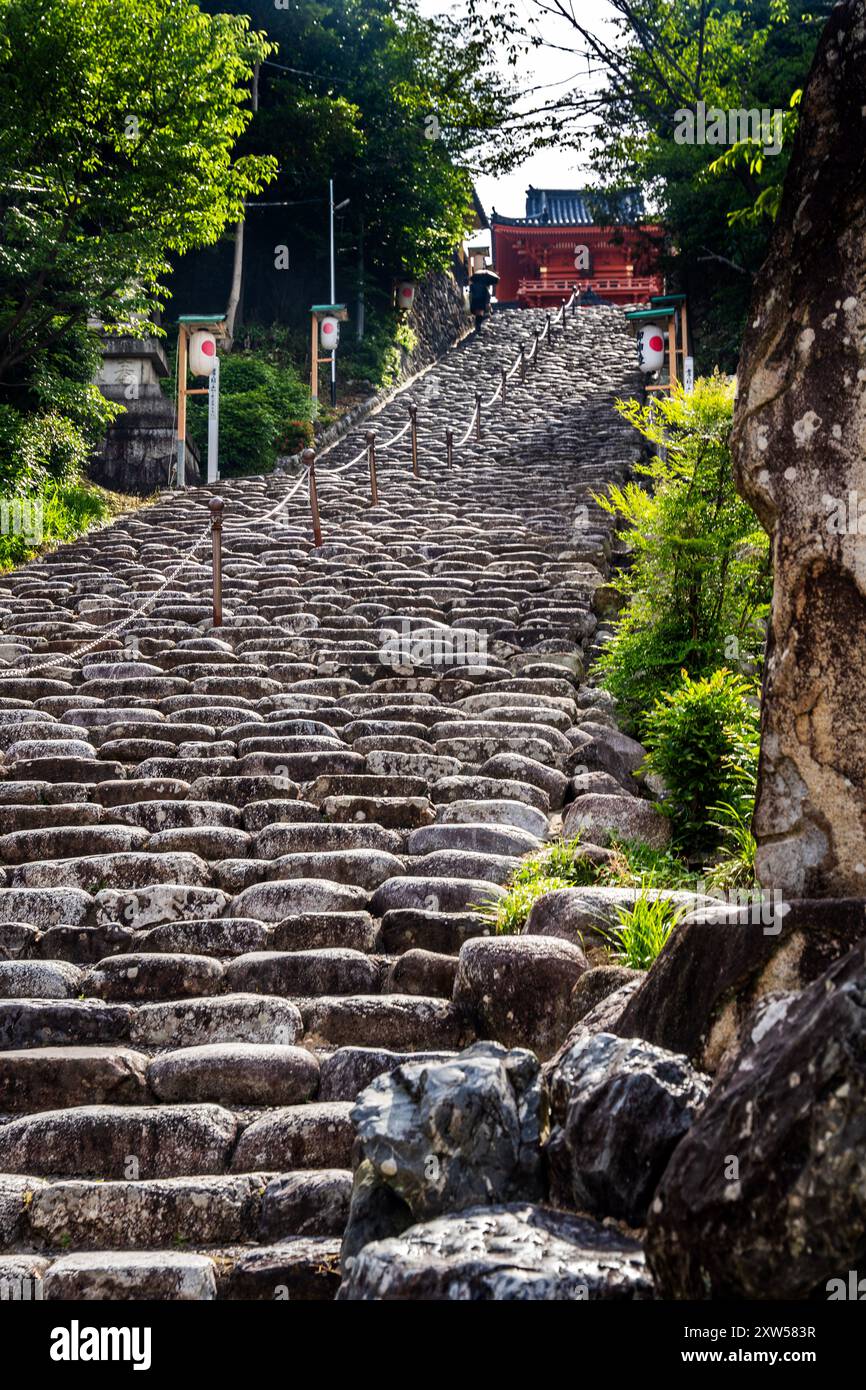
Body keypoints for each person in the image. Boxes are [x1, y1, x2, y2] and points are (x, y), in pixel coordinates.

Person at [469, 265, 499, 332]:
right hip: (481, 300)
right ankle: (478, 325)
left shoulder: (473, 285)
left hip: (474, 300)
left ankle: (477, 325)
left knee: (477, 313)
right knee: (480, 313)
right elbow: (487, 295)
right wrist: (487, 302)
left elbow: (471, 293)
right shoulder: (484, 286)